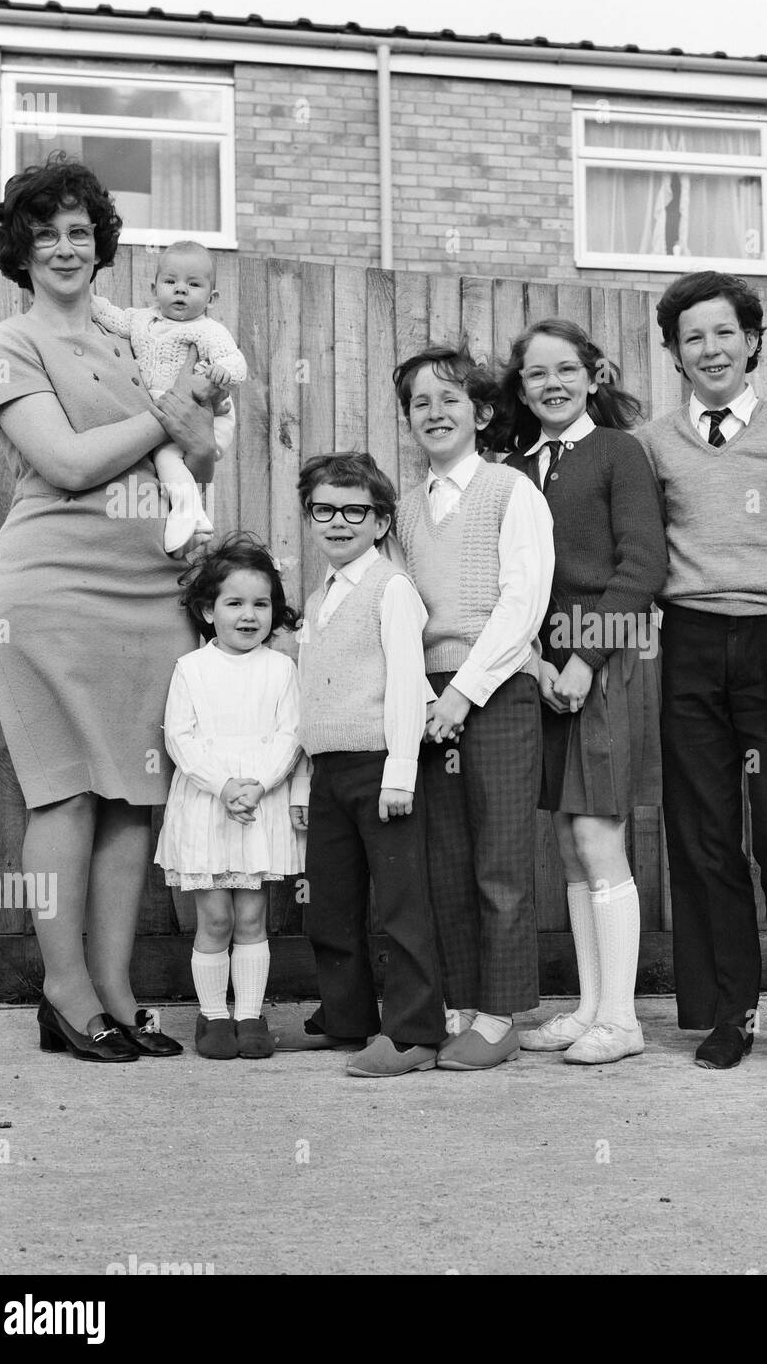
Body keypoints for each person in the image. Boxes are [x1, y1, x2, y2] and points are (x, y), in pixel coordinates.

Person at [0, 153, 217, 1062]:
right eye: (48, 235)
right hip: (52, 591)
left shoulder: (138, 336)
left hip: (151, 590)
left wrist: (189, 450)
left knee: (134, 797)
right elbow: (71, 464)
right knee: (66, 791)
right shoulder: (6, 343)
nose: (67, 247)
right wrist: (167, 413)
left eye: (81, 231)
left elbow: (197, 458)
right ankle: (64, 992)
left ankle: (115, 988)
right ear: (21, 250)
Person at [633, 271, 767, 1072]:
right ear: (675, 354)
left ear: (753, 341)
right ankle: (731, 1013)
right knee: (703, 837)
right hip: (689, 642)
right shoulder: (654, 444)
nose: (711, 349)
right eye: (693, 337)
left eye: (725, 333)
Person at [494, 318, 667, 1065]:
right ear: (521, 388)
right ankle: (591, 1006)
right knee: (566, 841)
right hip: (540, 668)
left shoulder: (617, 453)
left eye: (567, 369)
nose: (553, 384)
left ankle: (623, 1020)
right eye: (537, 374)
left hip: (609, 658)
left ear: (593, 375)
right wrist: (535, 661)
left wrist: (586, 658)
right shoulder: (512, 468)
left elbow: (642, 567)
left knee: (599, 834)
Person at [394, 344, 555, 1072]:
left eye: (450, 399)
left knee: (500, 861)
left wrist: (464, 692)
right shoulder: (402, 507)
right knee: (446, 861)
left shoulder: (510, 491)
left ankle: (501, 1015)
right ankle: (460, 1004)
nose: (435, 412)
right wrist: (424, 694)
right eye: (420, 403)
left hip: (494, 693)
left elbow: (523, 602)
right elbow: (396, 609)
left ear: (482, 413)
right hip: (428, 701)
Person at [281, 453, 449, 1078]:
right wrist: (303, 778)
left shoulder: (391, 589)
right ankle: (346, 1018)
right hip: (328, 772)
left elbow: (408, 680)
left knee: (400, 905)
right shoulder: (318, 596)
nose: (339, 522)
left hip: (382, 767)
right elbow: (311, 697)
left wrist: (402, 770)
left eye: (356, 511)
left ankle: (413, 1033)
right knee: (330, 903)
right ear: (311, 518)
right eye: (325, 510)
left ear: (381, 523)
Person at [154, 536, 304, 1060]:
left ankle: (250, 1014)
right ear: (207, 609)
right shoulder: (191, 670)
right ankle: (214, 1015)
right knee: (215, 919)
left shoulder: (282, 669)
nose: (248, 615)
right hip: (207, 805)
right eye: (234, 603)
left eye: (260, 604)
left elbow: (290, 736)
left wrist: (257, 785)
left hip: (258, 806)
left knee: (252, 919)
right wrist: (224, 787)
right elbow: (181, 737)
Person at [92, 240, 245, 554]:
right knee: (156, 459)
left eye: (193, 284)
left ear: (211, 298)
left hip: (204, 413)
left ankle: (188, 510)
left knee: (166, 457)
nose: (181, 290)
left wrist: (220, 371)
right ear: (154, 288)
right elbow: (111, 317)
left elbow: (236, 363)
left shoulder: (207, 330)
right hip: (164, 408)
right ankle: (194, 518)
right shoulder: (140, 320)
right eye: (171, 282)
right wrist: (86, 300)